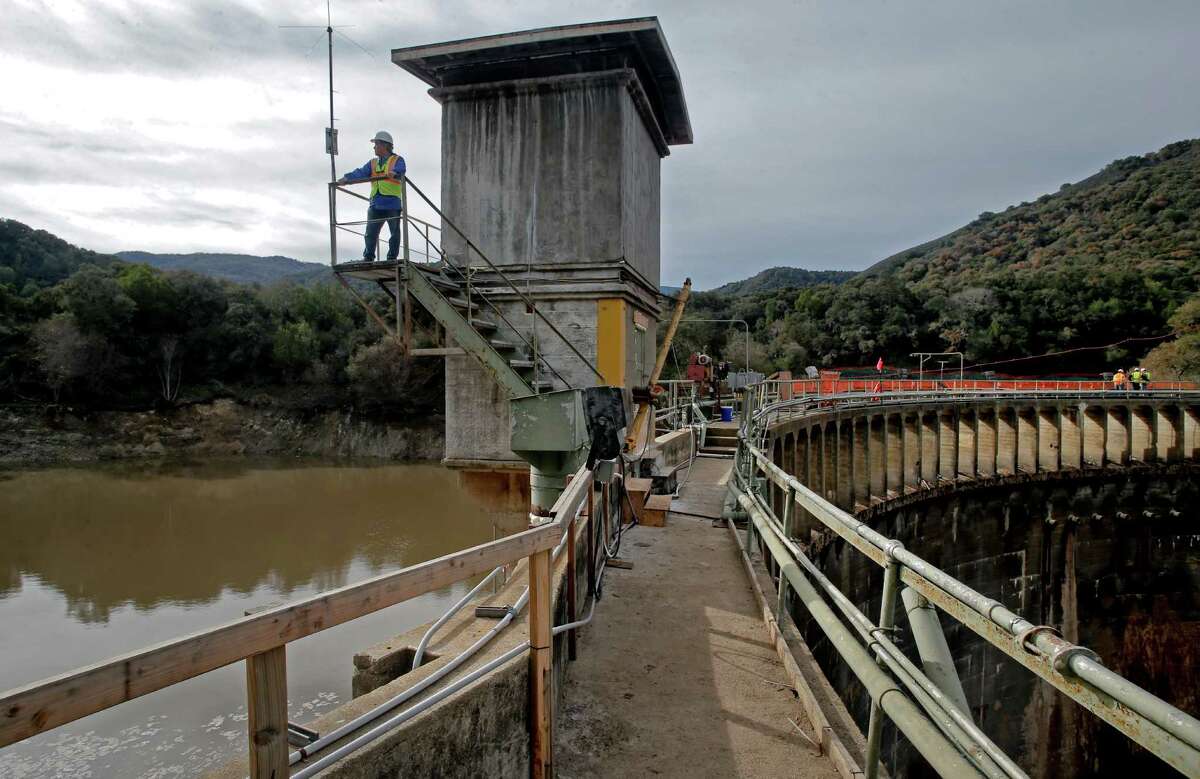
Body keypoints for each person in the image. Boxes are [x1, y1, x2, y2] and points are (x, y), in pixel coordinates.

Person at [337, 131, 406, 262]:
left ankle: (391, 257)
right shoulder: (373, 163)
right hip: (376, 202)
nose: (374, 147)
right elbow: (361, 172)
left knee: (394, 232)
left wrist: (394, 172)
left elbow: (401, 168)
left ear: (385, 145)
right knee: (370, 233)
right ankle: (368, 257)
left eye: (376, 144)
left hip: (392, 202)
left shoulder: (397, 160)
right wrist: (347, 178)